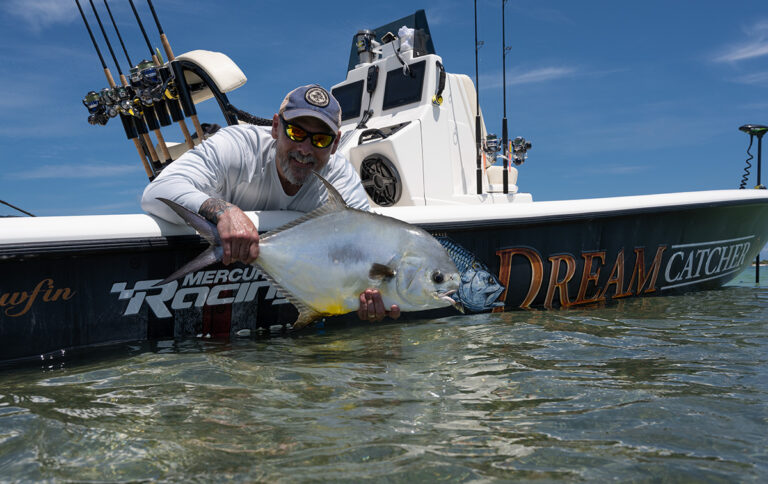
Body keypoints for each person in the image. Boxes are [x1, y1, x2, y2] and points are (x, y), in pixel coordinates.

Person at [142, 84, 399, 322]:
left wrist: (380, 293)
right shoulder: (238, 146)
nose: (305, 149)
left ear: (335, 144)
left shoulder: (340, 176)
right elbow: (157, 191)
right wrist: (222, 211)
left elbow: (367, 243)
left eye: (320, 140)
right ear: (276, 127)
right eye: (296, 133)